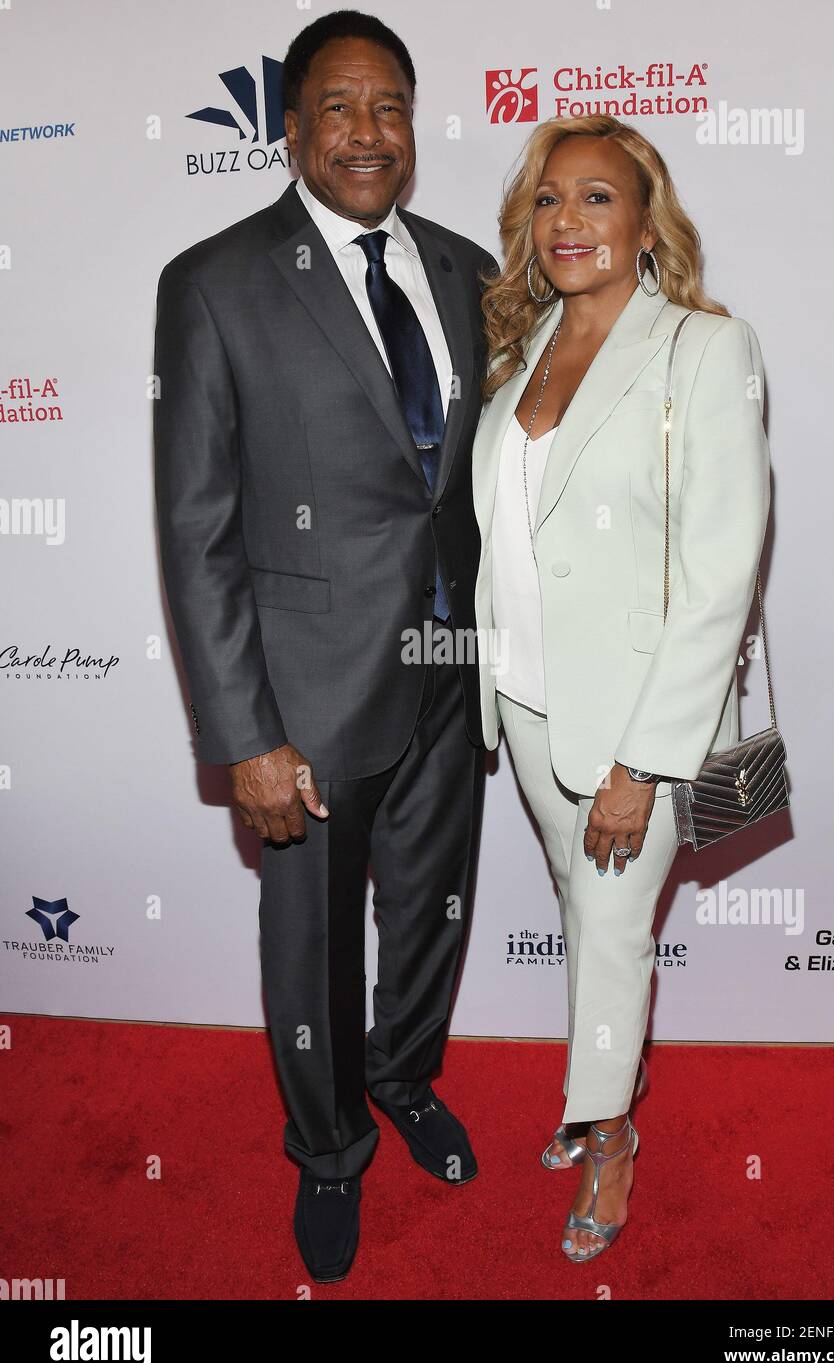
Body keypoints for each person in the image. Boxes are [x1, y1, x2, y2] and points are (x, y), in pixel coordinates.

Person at [153, 10, 496, 1283]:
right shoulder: (215, 282)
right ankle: (329, 1146)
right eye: (339, 107)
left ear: (415, 125)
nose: (368, 132)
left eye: (390, 106)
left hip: (450, 680)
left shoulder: (468, 272)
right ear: (290, 127)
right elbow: (195, 529)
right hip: (300, 701)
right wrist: (243, 735)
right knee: (309, 942)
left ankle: (403, 1078)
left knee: (425, 919)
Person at [473, 115, 771, 1261]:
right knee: (586, 917)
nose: (568, 222)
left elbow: (719, 573)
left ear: (647, 221)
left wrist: (643, 766)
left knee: (608, 932)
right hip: (534, 707)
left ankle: (607, 1134)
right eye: (549, 200)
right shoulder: (525, 348)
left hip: (633, 728)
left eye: (598, 198)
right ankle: (603, 1080)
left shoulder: (705, 349)